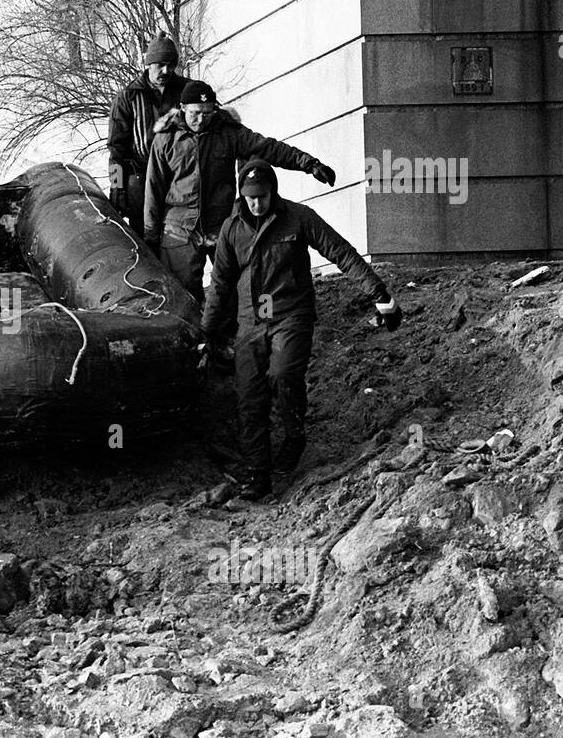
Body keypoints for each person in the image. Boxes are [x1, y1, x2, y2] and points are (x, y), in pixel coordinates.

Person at [202, 160, 403, 500]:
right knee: (249, 397)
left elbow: (340, 252)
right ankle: (258, 475)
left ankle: (294, 435)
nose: (257, 203)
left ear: (273, 191)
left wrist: (379, 294)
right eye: (250, 197)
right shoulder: (230, 229)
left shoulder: (298, 217)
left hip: (290, 315)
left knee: (282, 375)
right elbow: (220, 283)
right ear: (242, 195)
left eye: (262, 196)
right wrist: (206, 332)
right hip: (251, 321)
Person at [145, 80, 337, 307]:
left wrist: (309, 163)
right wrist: (150, 236)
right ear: (183, 108)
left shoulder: (229, 132)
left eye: (207, 113)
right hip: (179, 229)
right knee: (184, 297)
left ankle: (247, 329)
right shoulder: (165, 139)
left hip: (221, 225)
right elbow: (153, 188)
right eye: (195, 113)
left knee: (238, 291)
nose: (201, 119)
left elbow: (268, 148)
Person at [108, 33, 194, 237]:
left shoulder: (187, 90)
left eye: (171, 66)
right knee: (145, 236)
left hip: (179, 176)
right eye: (160, 65)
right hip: (141, 177)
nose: (166, 71)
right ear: (148, 64)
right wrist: (117, 188)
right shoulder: (128, 97)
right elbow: (116, 149)